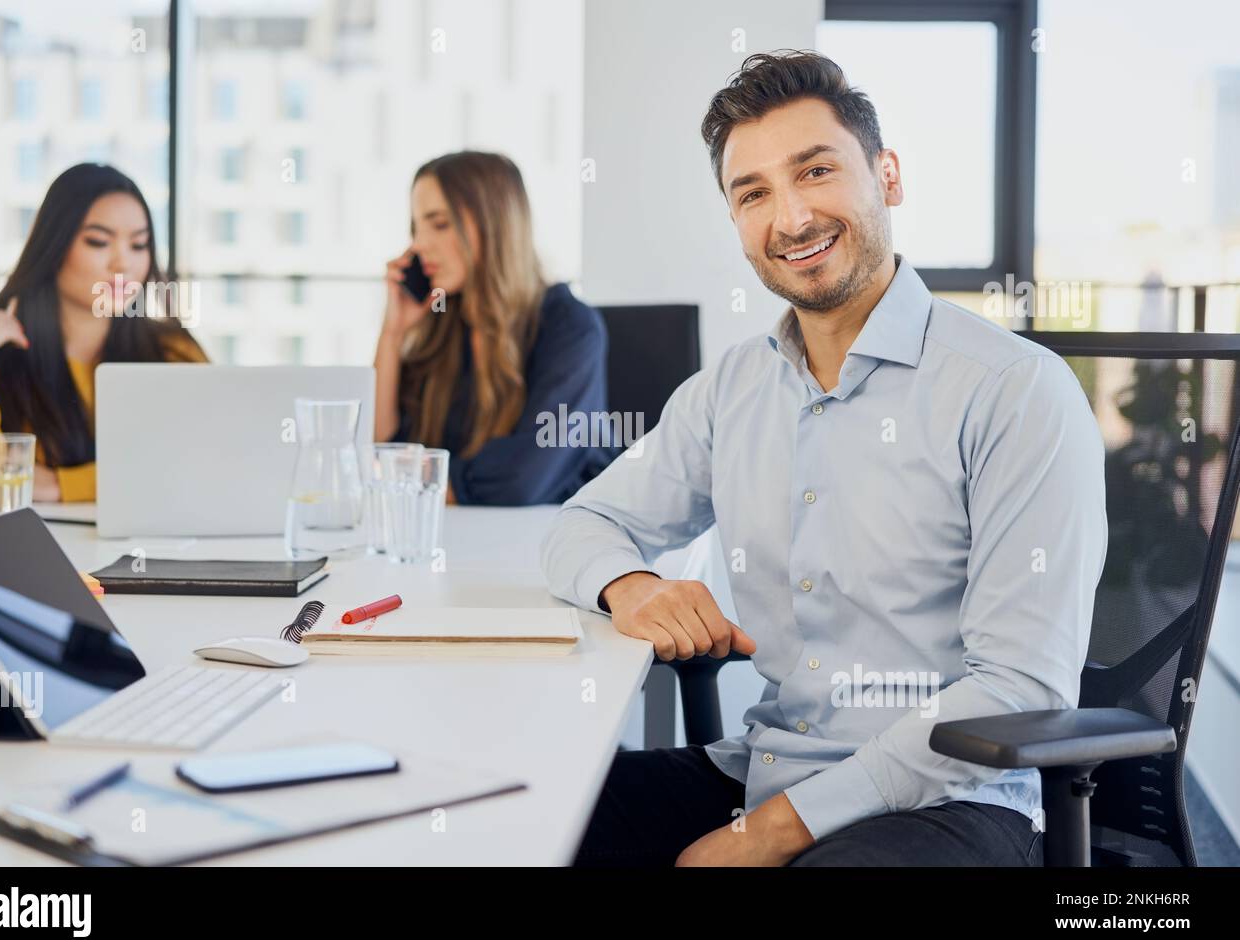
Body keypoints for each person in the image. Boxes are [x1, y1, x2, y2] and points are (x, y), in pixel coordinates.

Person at [542, 50, 1109, 866]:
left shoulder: (1016, 392)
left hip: (954, 799)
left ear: (888, 176)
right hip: (762, 770)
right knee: (532, 817)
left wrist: (770, 833)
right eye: (754, 193)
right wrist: (630, 586)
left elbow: (1019, 690)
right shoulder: (733, 388)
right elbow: (581, 522)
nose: (792, 217)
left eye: (816, 171)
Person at [0, 163, 206, 503]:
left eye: (139, 245)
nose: (122, 263)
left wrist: (57, 485)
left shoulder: (173, 351)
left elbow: (200, 465)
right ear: (54, 247)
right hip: (37, 553)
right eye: (98, 242)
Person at [374, 150, 611, 506]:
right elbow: (380, 449)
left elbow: (522, 479)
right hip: (462, 538)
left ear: (494, 224)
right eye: (416, 227)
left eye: (439, 224)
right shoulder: (441, 326)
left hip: (546, 542)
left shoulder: (570, 327)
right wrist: (392, 334)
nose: (419, 246)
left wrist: (408, 480)